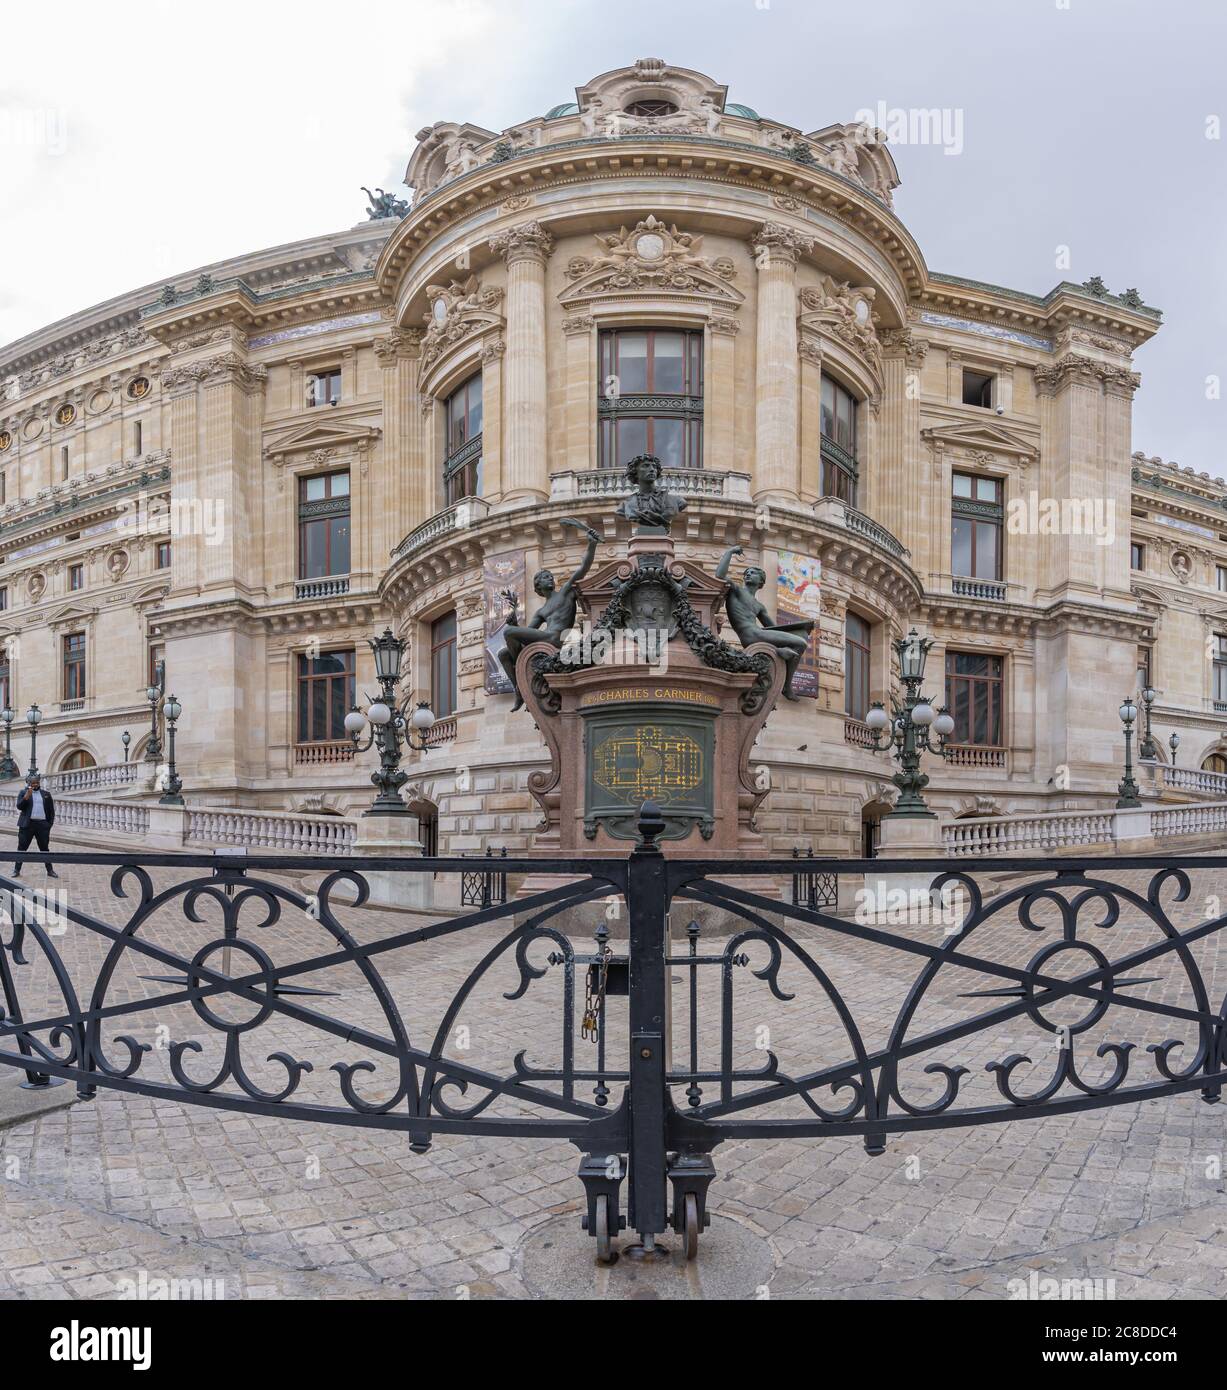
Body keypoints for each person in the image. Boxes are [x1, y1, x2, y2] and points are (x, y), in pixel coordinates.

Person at [498, 517, 601, 710]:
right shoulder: (541, 610)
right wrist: (515, 625)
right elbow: (526, 635)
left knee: (509, 632)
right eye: (545, 577)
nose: (549, 579)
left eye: (550, 576)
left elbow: (583, 568)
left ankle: (521, 670)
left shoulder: (565, 592)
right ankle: (519, 688)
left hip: (556, 638)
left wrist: (592, 544)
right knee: (504, 653)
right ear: (538, 587)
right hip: (544, 639)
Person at [15, 775, 57, 878]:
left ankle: (50, 870)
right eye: (33, 783)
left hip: (42, 825)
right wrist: (26, 797)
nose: (35, 785)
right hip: (27, 825)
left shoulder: (46, 794)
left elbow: (51, 811)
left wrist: (48, 825)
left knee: (44, 849)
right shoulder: (23, 793)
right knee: (22, 848)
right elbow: (19, 806)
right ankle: (16, 870)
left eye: (37, 783)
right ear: (29, 784)